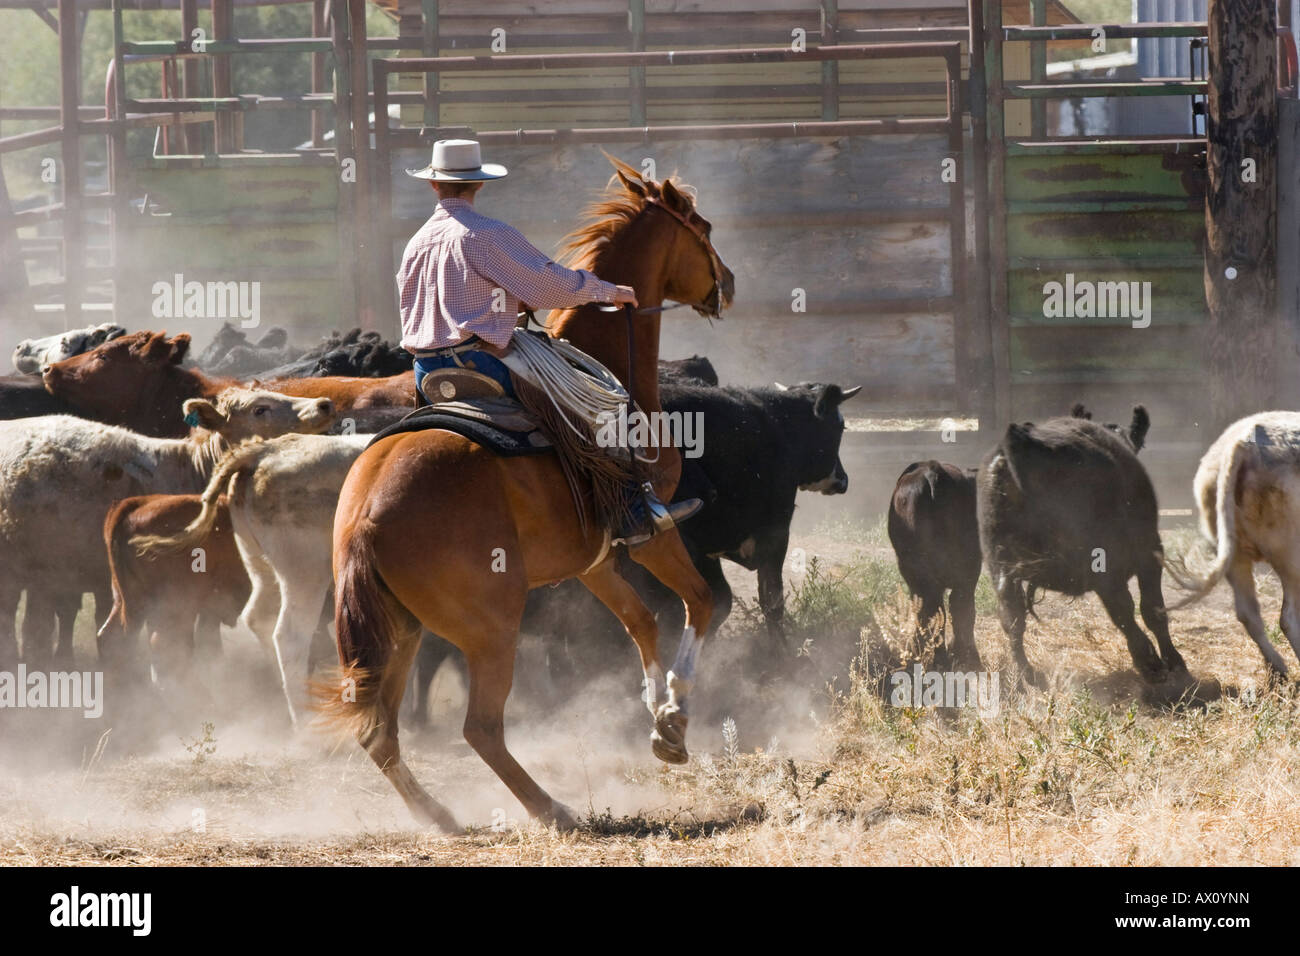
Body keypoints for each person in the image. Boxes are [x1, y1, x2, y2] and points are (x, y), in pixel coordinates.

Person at [397, 139, 700, 547]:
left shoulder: (415, 244)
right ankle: (632, 510)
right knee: (600, 401)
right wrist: (608, 292)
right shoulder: (486, 235)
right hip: (483, 363)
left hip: (425, 373)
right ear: (479, 185)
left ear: (434, 185)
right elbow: (547, 286)